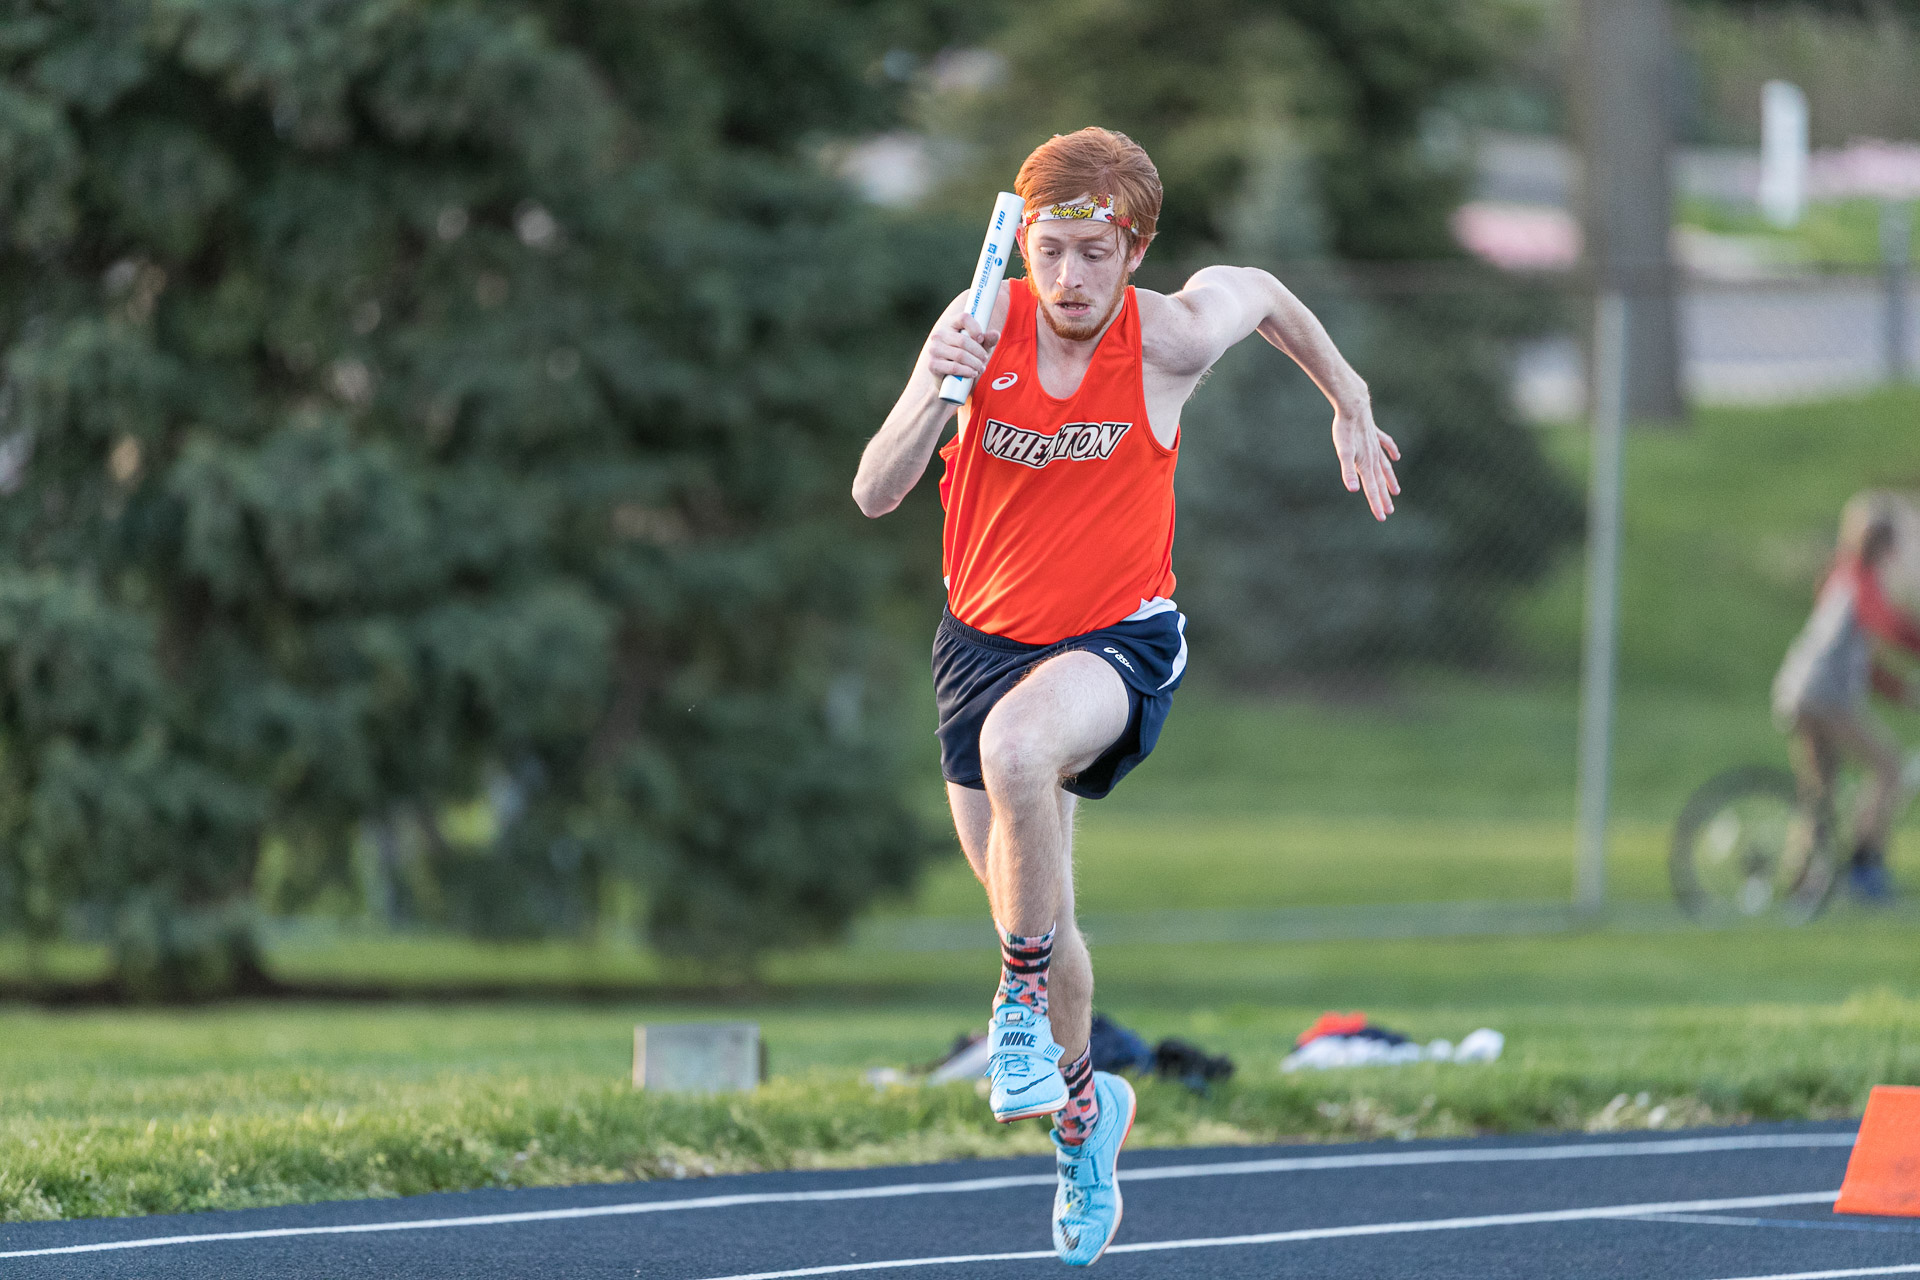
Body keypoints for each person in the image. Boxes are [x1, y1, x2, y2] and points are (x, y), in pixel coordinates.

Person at [851, 127, 1398, 1266]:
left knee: (1019, 758)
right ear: (1028, 243)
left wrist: (1346, 393)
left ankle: (1013, 1010)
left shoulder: (1171, 336)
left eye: (1095, 255)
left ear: (1132, 248)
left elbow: (1268, 293)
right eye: (1050, 251)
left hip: (1119, 640)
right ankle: (1086, 1119)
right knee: (1035, 902)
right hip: (979, 644)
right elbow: (873, 489)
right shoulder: (980, 325)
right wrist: (934, 391)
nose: (1069, 279)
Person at [1773, 492, 1920, 903]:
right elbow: (1891, 627)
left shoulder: (1843, 578)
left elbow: (1864, 664)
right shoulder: (1859, 579)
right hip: (1822, 698)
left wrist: (1904, 692)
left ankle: (1804, 882)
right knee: (1889, 767)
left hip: (1803, 693)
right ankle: (1865, 867)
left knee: (1820, 790)